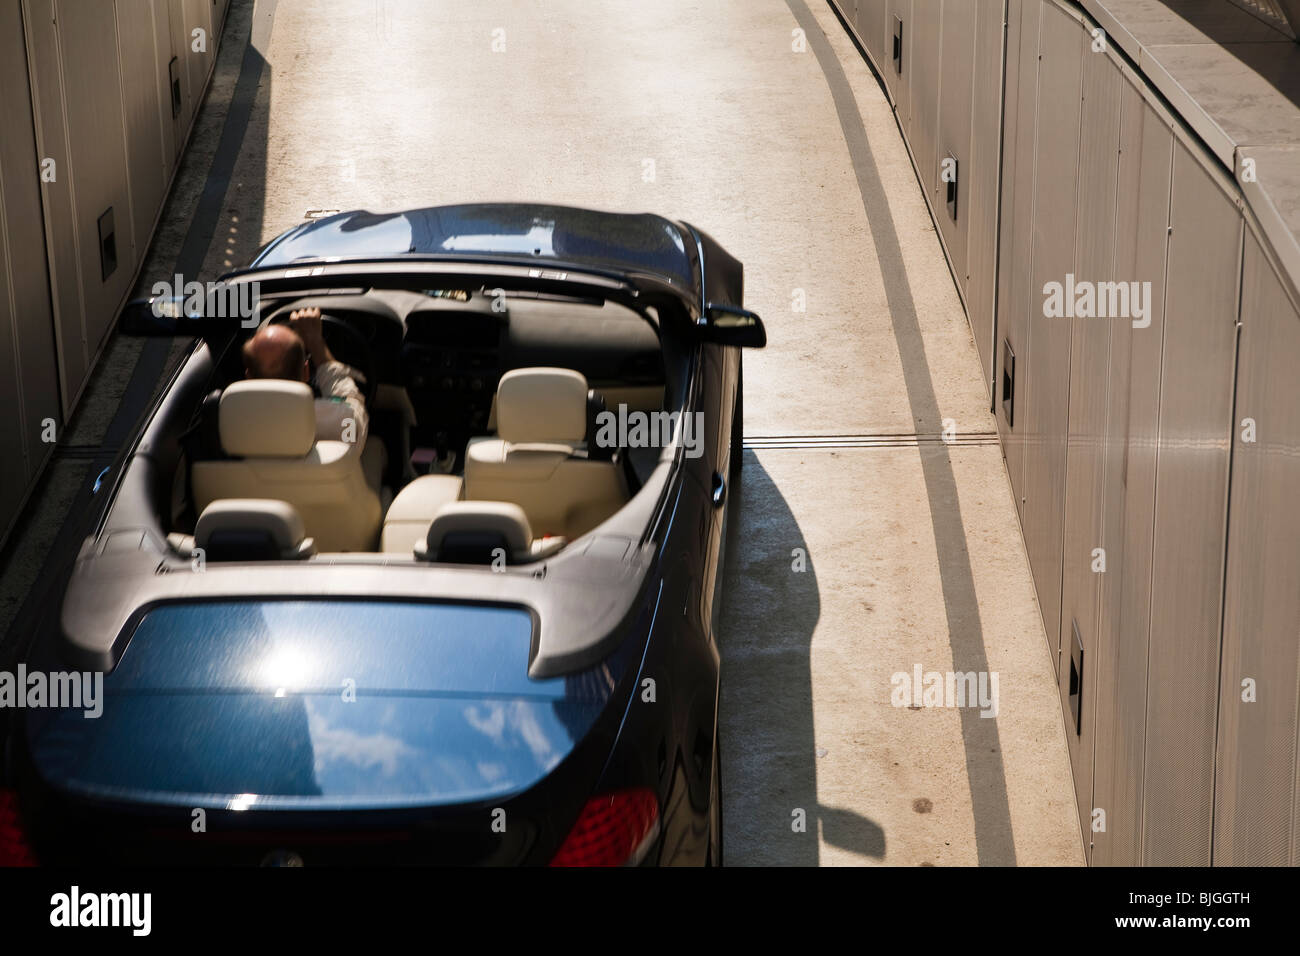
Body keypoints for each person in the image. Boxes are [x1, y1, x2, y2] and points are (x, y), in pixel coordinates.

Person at [241, 307, 368, 452]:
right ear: (306, 371)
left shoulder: (234, 423)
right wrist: (316, 344)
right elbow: (354, 409)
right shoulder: (339, 420)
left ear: (248, 377)